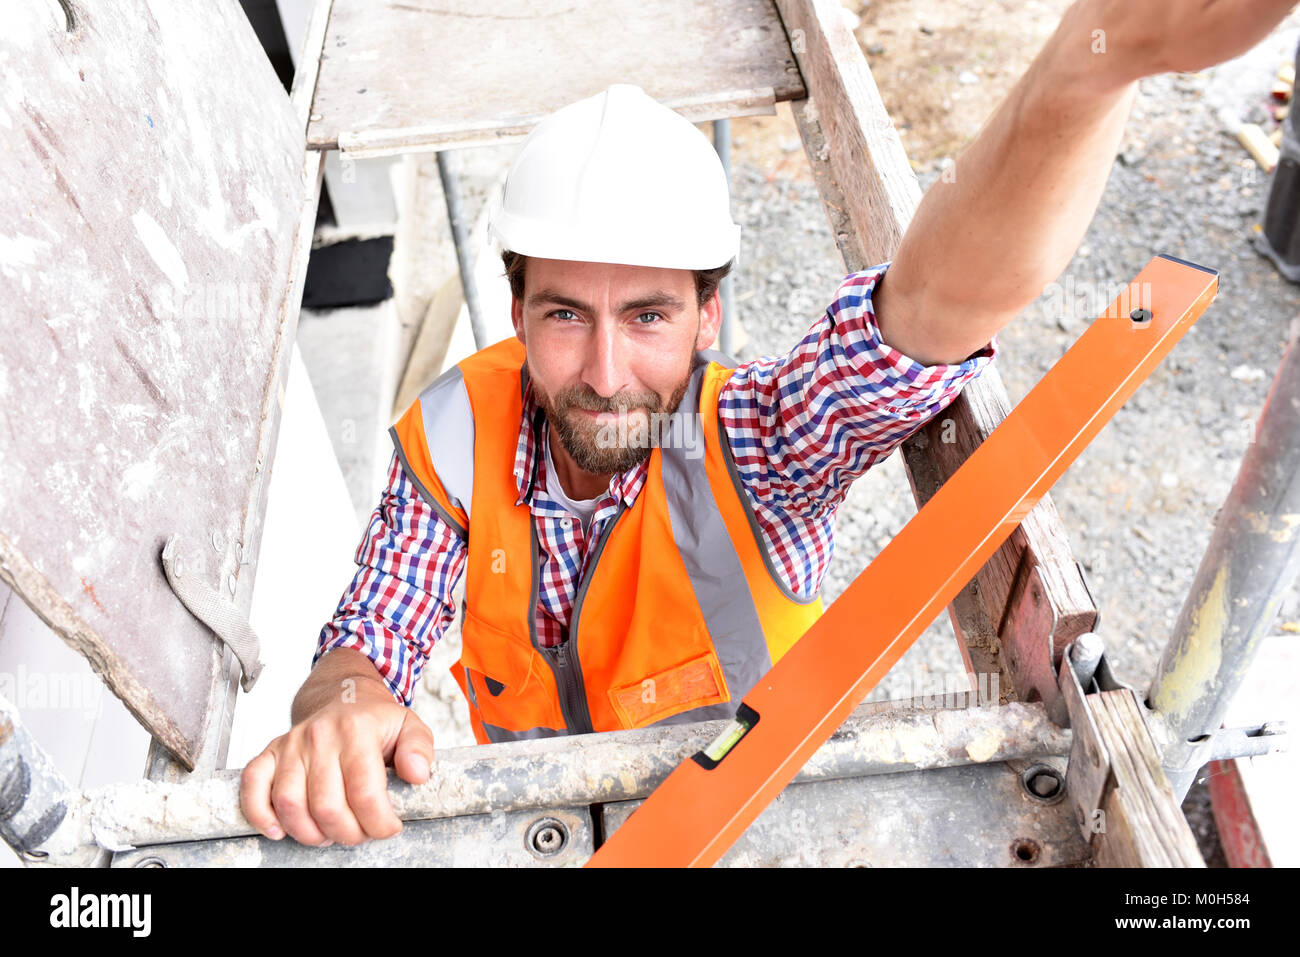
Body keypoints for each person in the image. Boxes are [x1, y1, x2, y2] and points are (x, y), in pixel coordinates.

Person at [241, 0, 1298, 848]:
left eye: (648, 316)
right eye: (565, 314)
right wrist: (339, 709)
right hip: (557, 832)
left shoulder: (756, 446)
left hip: (762, 836)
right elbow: (370, 637)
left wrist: (1087, 65)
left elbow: (935, 307)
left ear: (708, 316)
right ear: (517, 310)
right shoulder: (455, 436)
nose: (606, 374)